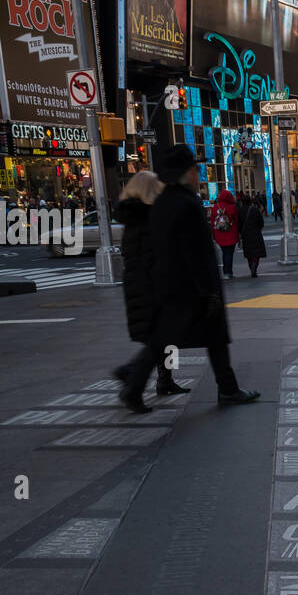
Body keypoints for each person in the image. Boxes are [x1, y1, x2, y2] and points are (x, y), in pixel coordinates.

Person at [149, 145, 259, 406]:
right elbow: (197, 251)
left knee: (168, 338)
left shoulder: (162, 202)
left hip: (170, 284)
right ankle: (227, 388)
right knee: (215, 337)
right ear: (187, 172)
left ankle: (164, 379)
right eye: (195, 170)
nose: (197, 175)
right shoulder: (188, 202)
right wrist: (208, 289)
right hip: (195, 286)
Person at [112, 170, 190, 414]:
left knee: (165, 339)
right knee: (161, 340)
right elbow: (157, 258)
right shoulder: (148, 218)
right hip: (152, 289)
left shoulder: (134, 218)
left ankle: (163, 379)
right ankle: (133, 382)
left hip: (139, 288)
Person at [210, 187, 239, 278]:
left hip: (219, 233)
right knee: (229, 253)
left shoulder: (215, 207)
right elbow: (236, 220)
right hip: (230, 233)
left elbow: (212, 221)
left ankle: (226, 271)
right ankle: (228, 272)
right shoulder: (232, 207)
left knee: (224, 252)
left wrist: (214, 233)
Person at [240, 197, 267, 278]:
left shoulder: (240, 211)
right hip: (256, 233)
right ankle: (254, 264)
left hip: (245, 234)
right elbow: (261, 222)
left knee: (248, 253)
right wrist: (259, 228)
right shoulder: (255, 210)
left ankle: (251, 265)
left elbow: (238, 224)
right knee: (256, 252)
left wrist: (240, 233)